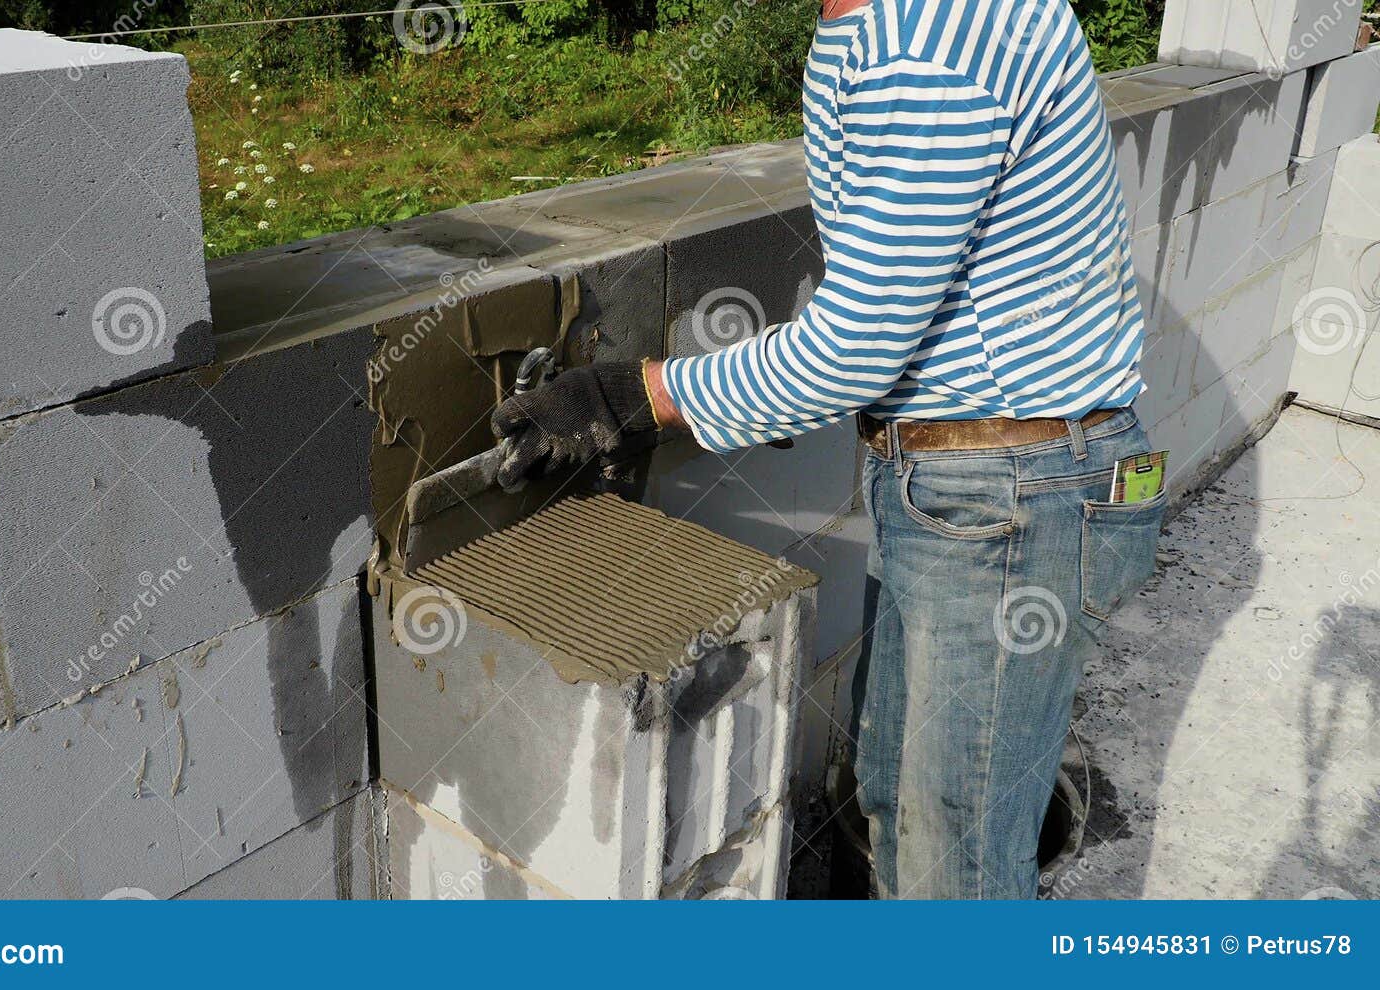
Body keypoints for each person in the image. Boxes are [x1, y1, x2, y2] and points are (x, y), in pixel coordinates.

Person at [490, 0, 1164, 899]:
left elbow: (855, 345)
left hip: (1005, 497)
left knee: (953, 861)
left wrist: (638, 397)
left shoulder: (922, 44)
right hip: (985, 484)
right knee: (896, 795)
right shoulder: (895, 27)